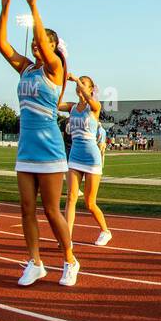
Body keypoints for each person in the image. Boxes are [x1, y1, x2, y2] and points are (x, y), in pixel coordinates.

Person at [0, 0, 78, 285]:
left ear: (54, 46)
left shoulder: (54, 68)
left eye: (42, 42)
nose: (35, 46)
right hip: (26, 148)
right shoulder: (26, 69)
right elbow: (2, 44)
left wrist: (33, 7)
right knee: (27, 209)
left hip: (50, 148)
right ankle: (35, 261)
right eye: (33, 43)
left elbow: (44, 44)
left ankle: (69, 258)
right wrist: (5, 6)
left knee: (51, 210)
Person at [59, 73, 112, 246]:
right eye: (79, 83)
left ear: (90, 88)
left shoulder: (94, 107)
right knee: (71, 198)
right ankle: (67, 237)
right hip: (74, 156)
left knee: (90, 203)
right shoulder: (73, 107)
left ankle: (105, 230)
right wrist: (62, 82)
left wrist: (76, 80)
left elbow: (92, 101)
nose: (79, 85)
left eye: (83, 83)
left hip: (91, 157)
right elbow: (56, 103)